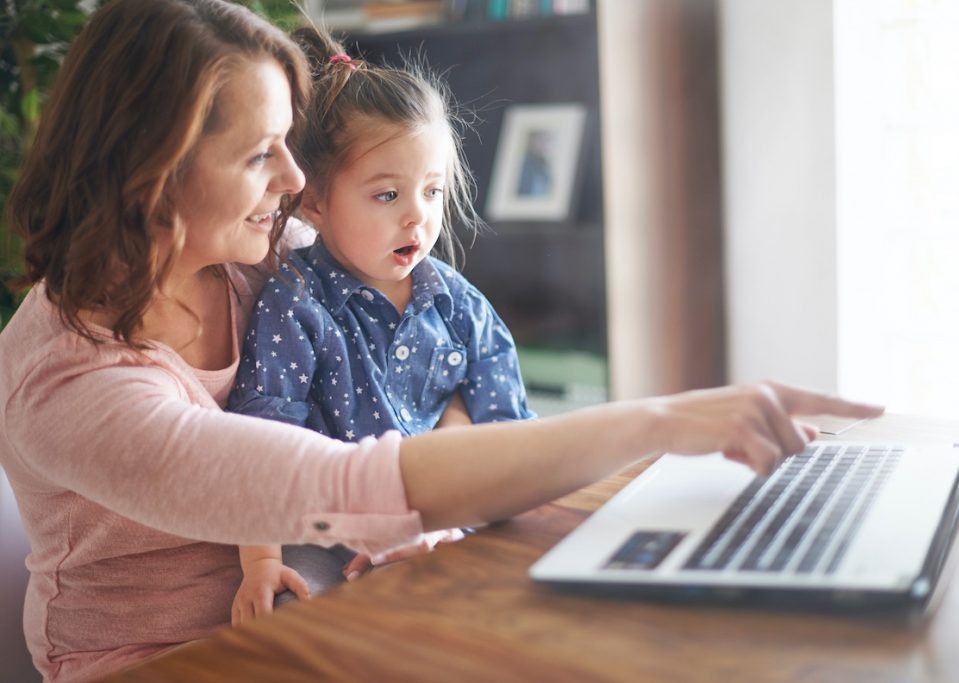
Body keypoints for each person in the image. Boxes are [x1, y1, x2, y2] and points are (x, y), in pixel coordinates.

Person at [0, 1, 883, 681]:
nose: (299, 181)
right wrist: (658, 419)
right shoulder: (69, 382)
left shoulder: (260, 257)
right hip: (162, 658)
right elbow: (329, 483)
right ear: (157, 168)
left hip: (331, 606)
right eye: (263, 153)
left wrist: (462, 416)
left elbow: (421, 357)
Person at [226, 29, 536, 619]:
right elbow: (260, 445)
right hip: (326, 535)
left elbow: (510, 441)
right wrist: (262, 563)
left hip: (441, 519)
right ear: (313, 202)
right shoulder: (295, 302)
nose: (418, 216)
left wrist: (441, 519)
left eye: (433, 192)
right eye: (388, 195)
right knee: (307, 617)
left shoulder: (460, 305)